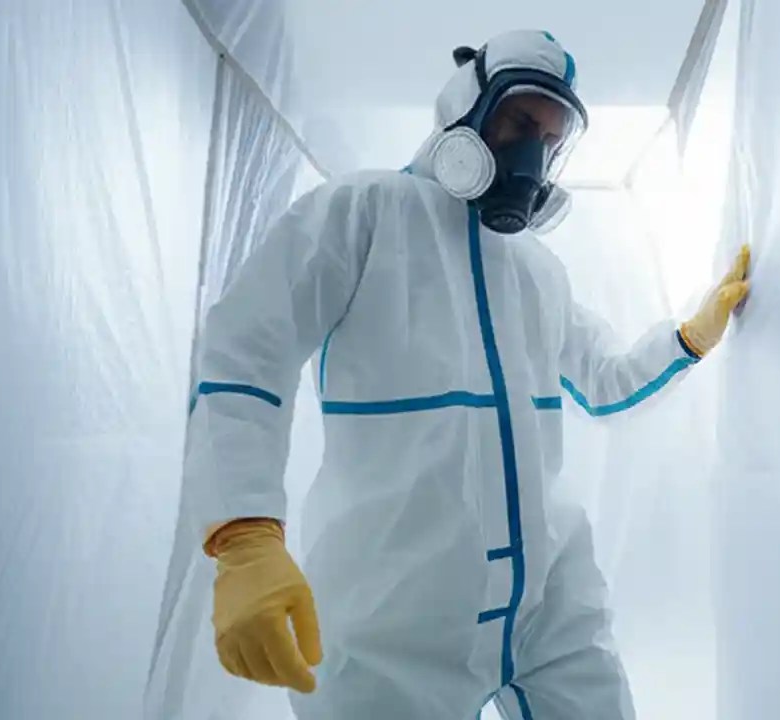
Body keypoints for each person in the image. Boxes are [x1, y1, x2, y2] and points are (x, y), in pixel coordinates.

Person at [185, 29, 750, 719]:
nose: (532, 152)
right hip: (391, 617)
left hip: (551, 608)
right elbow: (248, 348)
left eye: (551, 136)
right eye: (519, 121)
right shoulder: (362, 212)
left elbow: (605, 381)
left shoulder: (537, 271)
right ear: (466, 107)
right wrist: (244, 534)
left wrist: (688, 339)